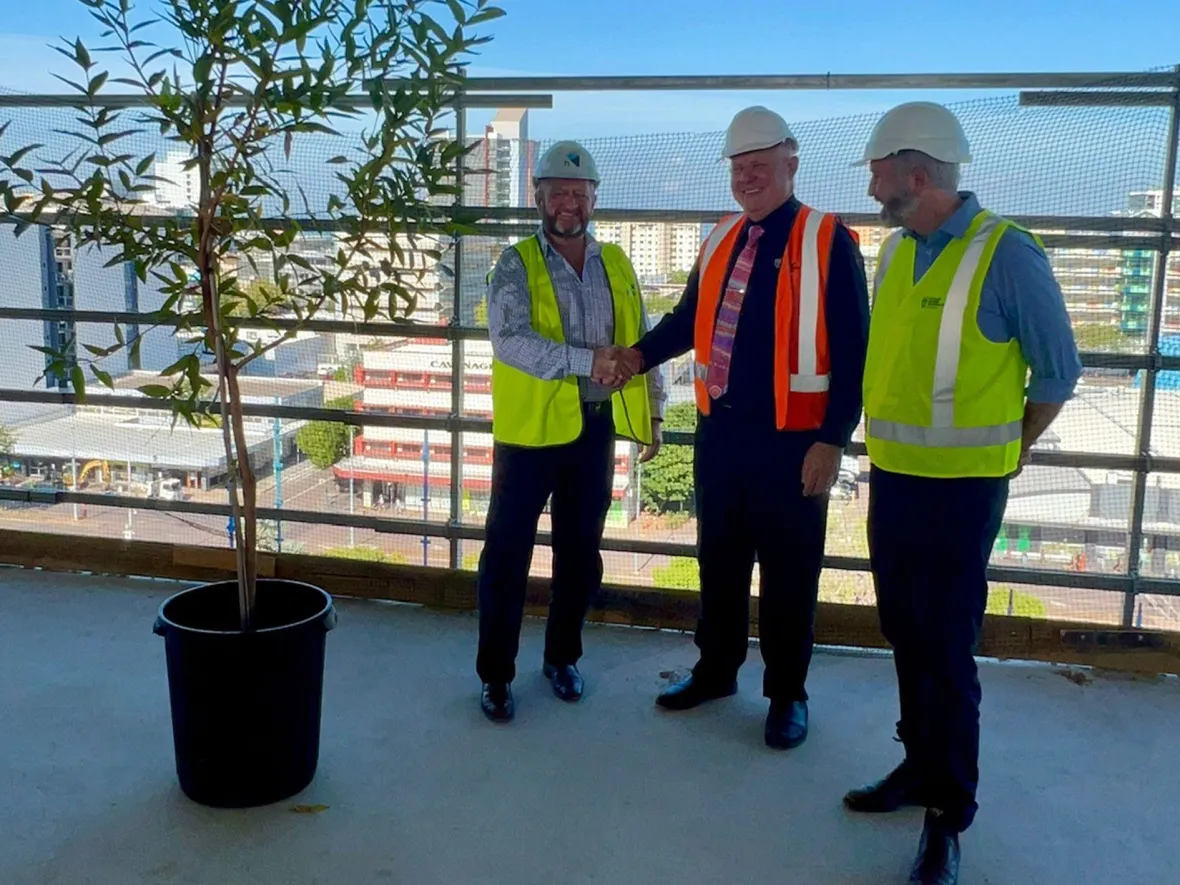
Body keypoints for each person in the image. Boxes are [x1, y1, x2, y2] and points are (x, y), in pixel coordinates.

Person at [844, 101, 1081, 885]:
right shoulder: (897, 252)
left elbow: (1057, 370)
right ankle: (917, 767)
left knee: (945, 652)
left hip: (961, 492)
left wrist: (1016, 445)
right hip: (897, 481)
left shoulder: (1005, 253)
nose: (871, 185)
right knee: (905, 632)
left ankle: (949, 815)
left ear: (916, 173)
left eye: (877, 171)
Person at [616, 106, 870, 749]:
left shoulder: (827, 239)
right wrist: (639, 356)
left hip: (793, 444)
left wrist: (832, 439)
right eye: (739, 167)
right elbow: (686, 319)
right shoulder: (721, 238)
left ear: (791, 164)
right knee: (719, 565)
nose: (748, 177)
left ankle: (787, 695)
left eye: (760, 165)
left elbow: (854, 350)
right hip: (720, 435)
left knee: (790, 576)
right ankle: (716, 671)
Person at [475, 140, 666, 723]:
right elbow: (509, 340)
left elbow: (642, 337)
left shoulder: (616, 264)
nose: (569, 203)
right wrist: (588, 362)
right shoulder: (515, 263)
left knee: (580, 557)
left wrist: (654, 410)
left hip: (594, 431)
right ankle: (497, 677)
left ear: (594, 200)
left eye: (580, 194)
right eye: (558, 192)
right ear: (537, 197)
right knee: (506, 557)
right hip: (529, 438)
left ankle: (562, 658)